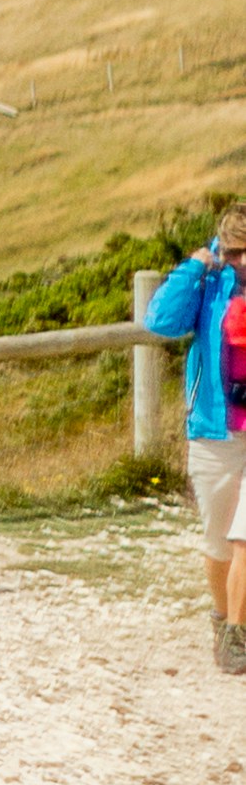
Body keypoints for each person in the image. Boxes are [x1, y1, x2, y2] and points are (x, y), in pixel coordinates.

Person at [150, 201, 246, 648]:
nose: (243, 261)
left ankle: (235, 633)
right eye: (235, 251)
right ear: (222, 247)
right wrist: (195, 267)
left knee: (244, 536)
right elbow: (161, 322)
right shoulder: (210, 281)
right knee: (220, 541)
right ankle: (222, 615)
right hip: (215, 429)